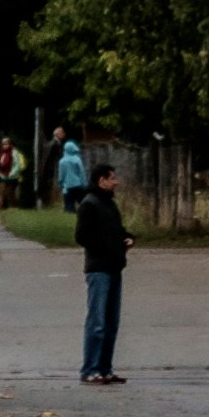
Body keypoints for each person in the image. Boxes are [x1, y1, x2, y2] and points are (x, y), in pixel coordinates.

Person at [76, 162, 130, 380]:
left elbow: (116, 230)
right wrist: (108, 247)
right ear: (101, 181)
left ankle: (105, 368)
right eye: (112, 178)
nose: (115, 182)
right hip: (99, 269)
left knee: (111, 322)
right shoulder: (90, 204)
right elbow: (82, 236)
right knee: (97, 322)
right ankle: (90, 369)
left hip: (114, 266)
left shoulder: (109, 204)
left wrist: (128, 237)